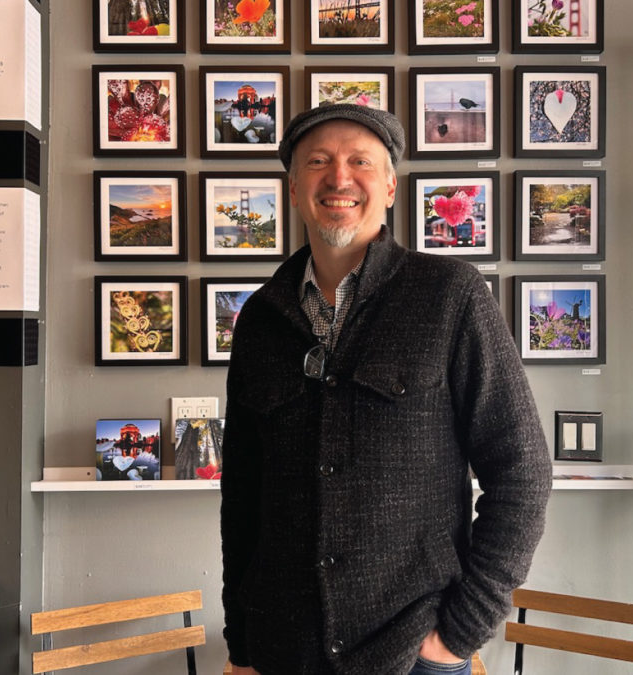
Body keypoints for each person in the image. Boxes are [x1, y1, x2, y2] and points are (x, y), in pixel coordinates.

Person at [220, 104, 552, 675]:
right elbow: (242, 498)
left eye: (360, 162)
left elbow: (521, 469)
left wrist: (461, 631)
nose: (339, 177)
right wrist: (242, 642)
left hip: (413, 653)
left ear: (392, 186)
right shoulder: (259, 319)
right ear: (294, 189)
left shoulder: (450, 295)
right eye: (318, 162)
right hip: (281, 649)